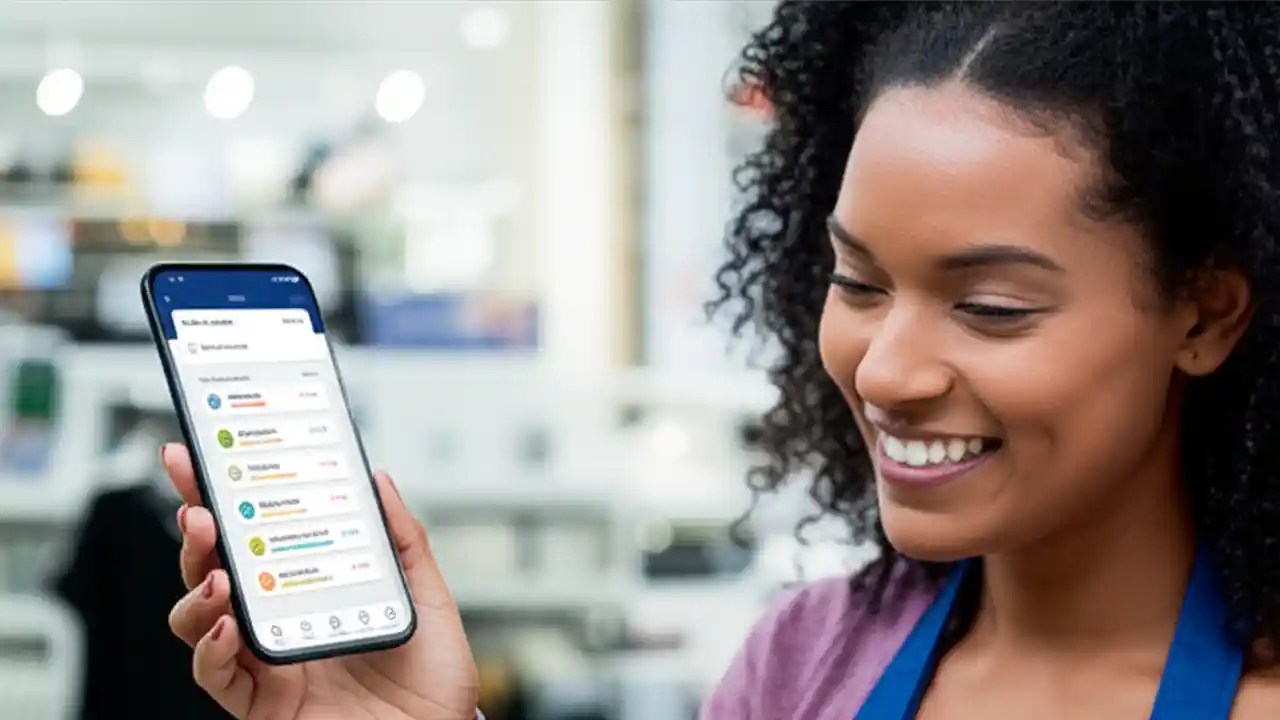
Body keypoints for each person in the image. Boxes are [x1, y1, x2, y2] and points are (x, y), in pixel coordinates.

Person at [163, 2, 1280, 718]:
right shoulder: (806, 665)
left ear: (1206, 314)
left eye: (989, 307)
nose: (884, 371)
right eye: (858, 282)